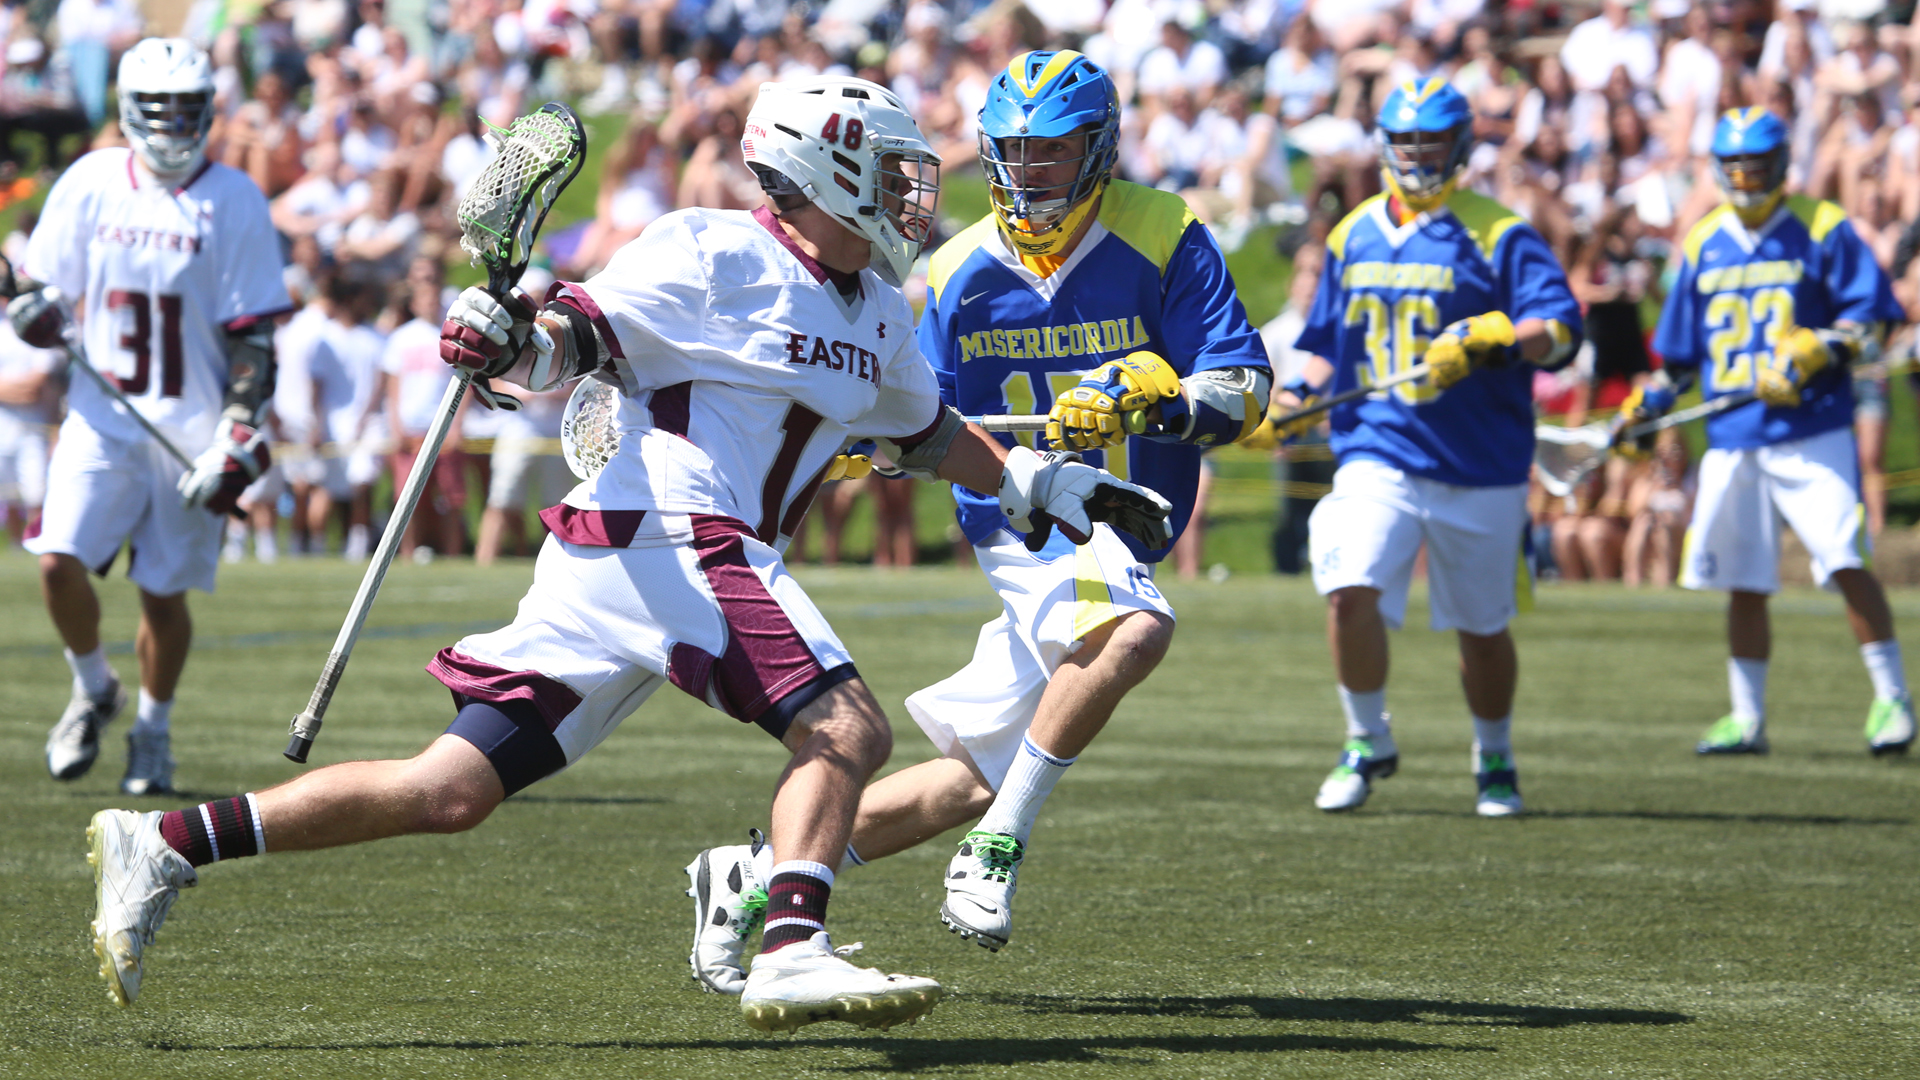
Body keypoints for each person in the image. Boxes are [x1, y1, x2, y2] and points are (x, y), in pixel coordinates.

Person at [82, 76, 1170, 1032]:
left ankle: (167, 841)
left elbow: (925, 432)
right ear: (824, 167)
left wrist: (1037, 481)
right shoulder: (711, 250)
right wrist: (510, 337)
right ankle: (791, 948)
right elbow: (575, 340)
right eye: (889, 172)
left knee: (450, 790)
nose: (910, 195)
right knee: (844, 727)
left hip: (648, 560)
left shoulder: (882, 310)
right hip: (669, 524)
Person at [683, 50, 1268, 990]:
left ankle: (747, 877)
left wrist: (1150, 395)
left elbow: (1242, 392)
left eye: (1053, 153)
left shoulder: (1164, 231)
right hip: (1032, 524)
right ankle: (997, 852)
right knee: (1135, 630)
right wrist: (860, 443)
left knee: (968, 778)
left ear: (1101, 150)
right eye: (1013, 152)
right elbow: (915, 416)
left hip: (1130, 521)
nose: (1029, 173)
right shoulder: (956, 271)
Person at [1277, 79, 1582, 817]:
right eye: (1405, 141)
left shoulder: (1498, 231)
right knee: (1348, 587)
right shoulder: (1353, 233)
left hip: (1478, 461)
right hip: (1378, 448)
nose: (1416, 155)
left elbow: (1563, 330)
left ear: (1459, 147)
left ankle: (1495, 751)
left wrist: (1497, 335)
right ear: (1384, 146)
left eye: (1430, 142)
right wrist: (1290, 399)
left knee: (1481, 630)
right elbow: (1324, 344)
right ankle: (1364, 738)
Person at [14, 39, 287, 794]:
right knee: (55, 560)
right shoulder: (92, 182)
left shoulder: (233, 197)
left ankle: (153, 731)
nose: (172, 123)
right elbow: (41, 296)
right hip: (101, 418)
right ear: (129, 111)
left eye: (186, 108)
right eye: (158, 108)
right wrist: (31, 311)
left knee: (162, 596)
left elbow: (253, 334)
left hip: (190, 431)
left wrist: (237, 425)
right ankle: (93, 687)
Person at [1639, 107, 1913, 757]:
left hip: (1810, 426)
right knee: (1743, 577)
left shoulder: (1823, 227)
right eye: (1734, 165)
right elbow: (1680, 353)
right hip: (1735, 432)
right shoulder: (1705, 240)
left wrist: (1820, 349)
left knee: (1845, 557)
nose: (1745, 177)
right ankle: (1748, 717)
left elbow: (1874, 323)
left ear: (1782, 166)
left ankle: (1892, 698)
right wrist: (1652, 400)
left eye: (1756, 165)